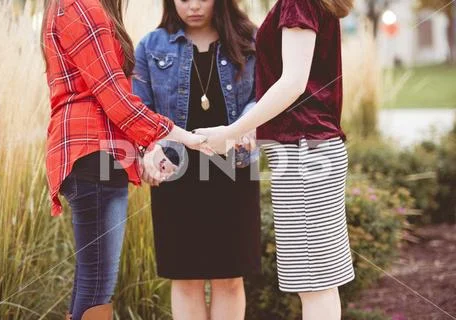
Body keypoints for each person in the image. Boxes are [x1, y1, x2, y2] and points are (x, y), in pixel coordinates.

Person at [40, 0, 208, 319]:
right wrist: (181, 135)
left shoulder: (69, 6)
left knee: (90, 281)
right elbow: (115, 98)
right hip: (94, 152)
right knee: (96, 285)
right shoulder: (81, 6)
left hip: (91, 150)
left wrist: (146, 146)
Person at [195, 0, 356, 319]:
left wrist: (232, 131)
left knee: (315, 286)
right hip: (307, 149)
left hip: (304, 152)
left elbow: (294, 83)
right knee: (317, 284)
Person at [133, 0, 260, 319]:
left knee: (229, 279)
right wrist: (150, 148)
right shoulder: (151, 46)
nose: (192, 6)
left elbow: (261, 96)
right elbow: (139, 111)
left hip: (234, 170)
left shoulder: (249, 40)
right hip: (176, 174)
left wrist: (244, 128)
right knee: (186, 279)